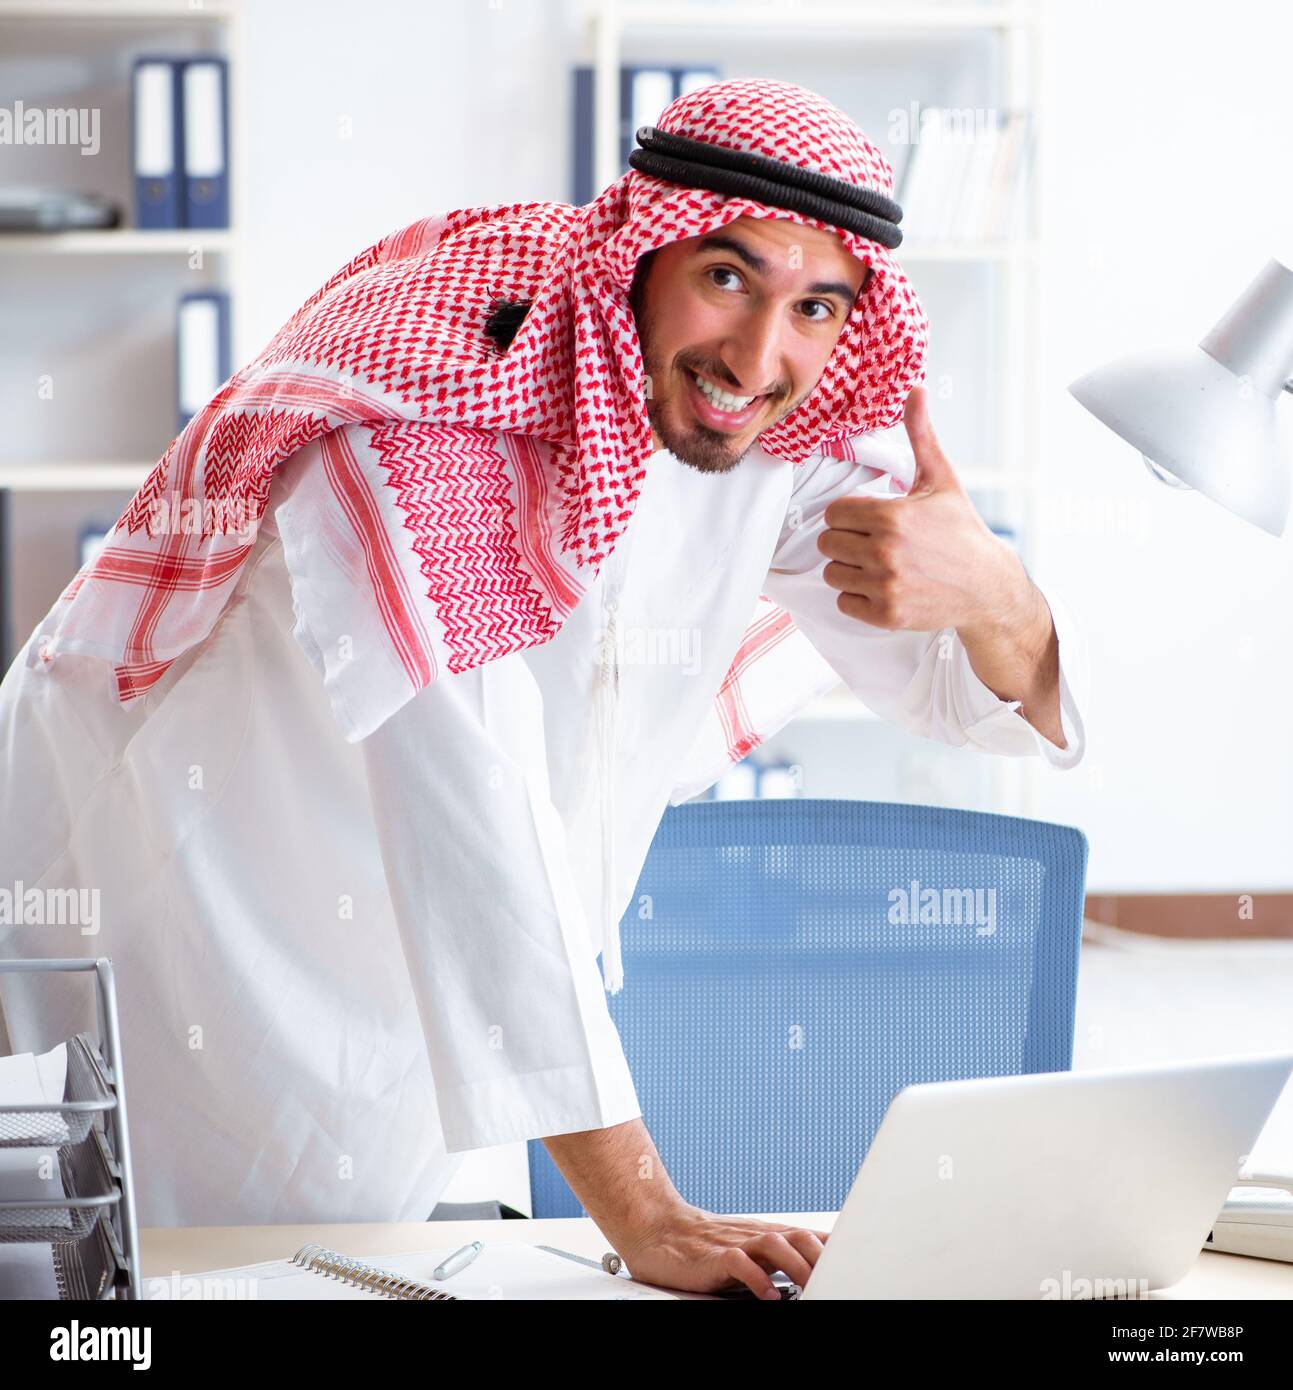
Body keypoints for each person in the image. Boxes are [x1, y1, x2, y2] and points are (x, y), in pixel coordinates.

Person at [0, 79, 1086, 1299]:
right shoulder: (429, 411)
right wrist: (645, 1212)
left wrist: (996, 590)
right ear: (642, 248)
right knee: (108, 1275)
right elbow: (476, 814)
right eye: (725, 277)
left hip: (413, 962)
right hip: (167, 894)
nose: (758, 354)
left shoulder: (763, 424)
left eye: (815, 306)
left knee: (343, 1252)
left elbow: (966, 700)